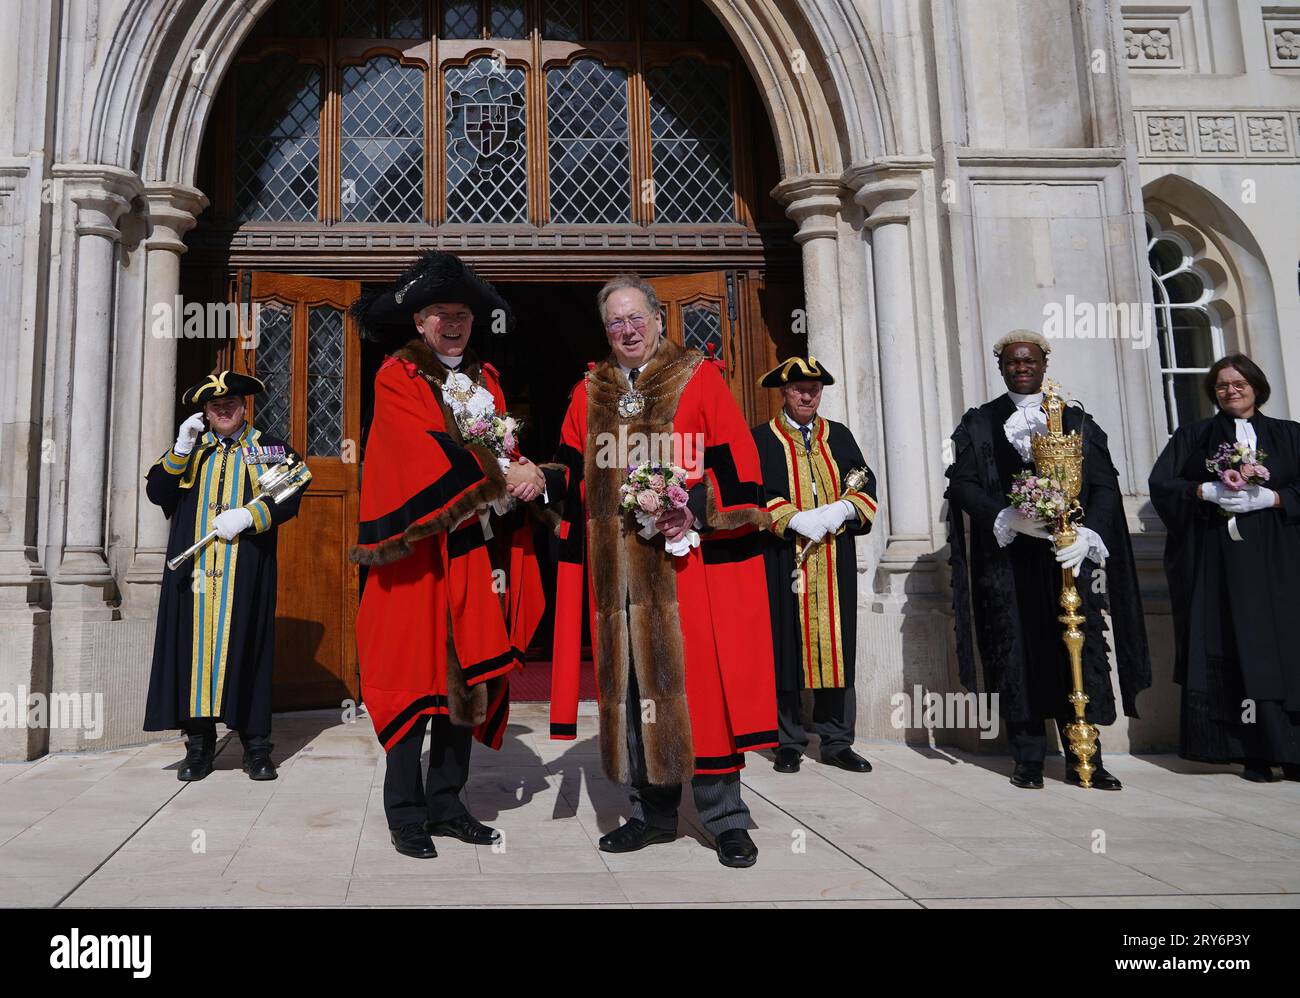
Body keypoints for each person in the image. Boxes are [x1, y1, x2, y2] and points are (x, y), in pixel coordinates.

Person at [544, 274, 777, 868]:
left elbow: (740, 473)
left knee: (697, 693)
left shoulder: (698, 379)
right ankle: (652, 816)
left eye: (635, 318)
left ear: (658, 319)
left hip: (683, 572)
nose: (626, 330)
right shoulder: (588, 390)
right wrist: (529, 480)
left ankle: (727, 820)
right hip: (616, 576)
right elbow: (570, 470)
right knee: (633, 692)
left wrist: (690, 507)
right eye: (615, 322)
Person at [349, 251, 547, 859]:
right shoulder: (397, 376)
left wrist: (527, 475)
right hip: (415, 556)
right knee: (410, 677)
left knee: (466, 676)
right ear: (419, 322)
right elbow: (418, 454)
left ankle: (448, 804)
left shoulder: (488, 381)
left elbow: (502, 443)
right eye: (440, 314)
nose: (453, 324)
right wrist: (500, 474)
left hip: (472, 549)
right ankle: (405, 813)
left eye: (461, 314)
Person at [945, 330, 1150, 789]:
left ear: (1044, 364)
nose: (1021, 368)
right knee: (1018, 649)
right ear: (1001, 368)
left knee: (1078, 647)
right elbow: (961, 484)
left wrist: (1089, 534)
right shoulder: (980, 422)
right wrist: (1004, 517)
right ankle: (1029, 757)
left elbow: (1103, 484)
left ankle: (1088, 757)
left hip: (1067, 559)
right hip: (1008, 563)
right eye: (1013, 362)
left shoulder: (1075, 420)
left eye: (1029, 361)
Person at [145, 370, 311, 782]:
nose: (224, 409)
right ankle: (199, 746)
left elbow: (289, 495)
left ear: (244, 406)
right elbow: (158, 493)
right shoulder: (192, 452)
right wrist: (181, 447)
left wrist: (250, 515)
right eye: (216, 405)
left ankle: (256, 748)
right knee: (192, 657)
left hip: (245, 573)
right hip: (194, 579)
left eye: (231, 403)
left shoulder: (266, 449)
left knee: (249, 651)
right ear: (205, 411)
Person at [1149, 354, 1300, 782]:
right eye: (1221, 385)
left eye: (1239, 383)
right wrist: (1204, 489)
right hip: (1221, 563)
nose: (1231, 391)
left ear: (1256, 386)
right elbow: (1163, 484)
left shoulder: (1290, 435)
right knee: (1236, 648)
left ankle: (1293, 752)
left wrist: (1274, 499)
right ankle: (1251, 752)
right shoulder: (1194, 436)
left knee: (1287, 650)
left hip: (1282, 562)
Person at [751, 357, 878, 774]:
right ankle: (787, 740)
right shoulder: (762, 440)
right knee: (784, 645)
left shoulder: (837, 436)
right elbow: (754, 493)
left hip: (832, 557)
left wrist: (843, 508)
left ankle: (838, 741)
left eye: (814, 388)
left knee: (838, 647)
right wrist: (792, 517)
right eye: (798, 389)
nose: (807, 395)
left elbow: (864, 481)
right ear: (783, 393)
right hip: (784, 558)